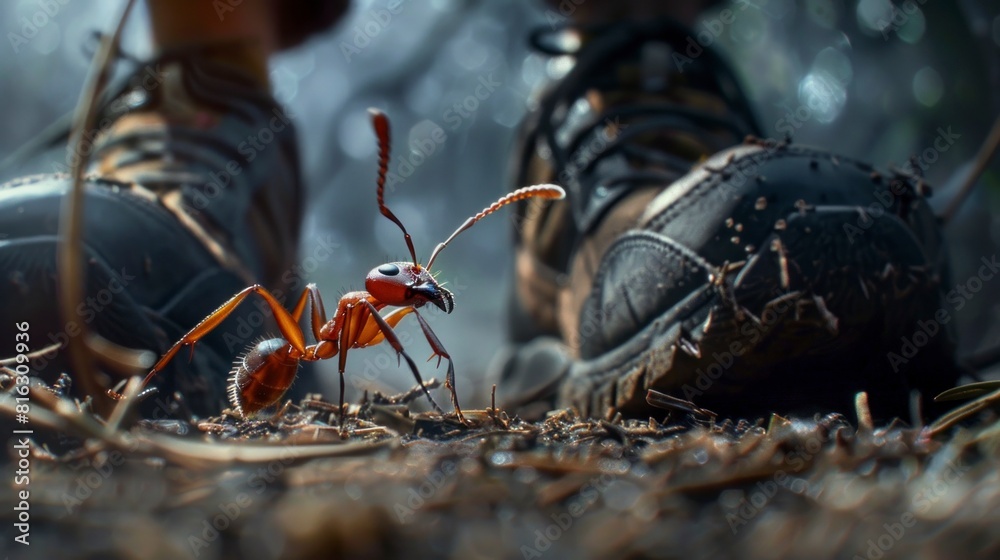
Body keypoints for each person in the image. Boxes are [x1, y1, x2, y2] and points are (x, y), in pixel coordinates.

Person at [0, 0, 957, 422]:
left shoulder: (374, 313)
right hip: (275, 339)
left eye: (412, 283)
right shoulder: (349, 315)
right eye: (406, 281)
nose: (414, 289)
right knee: (260, 310)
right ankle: (214, 110)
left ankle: (628, 97)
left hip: (294, 347)